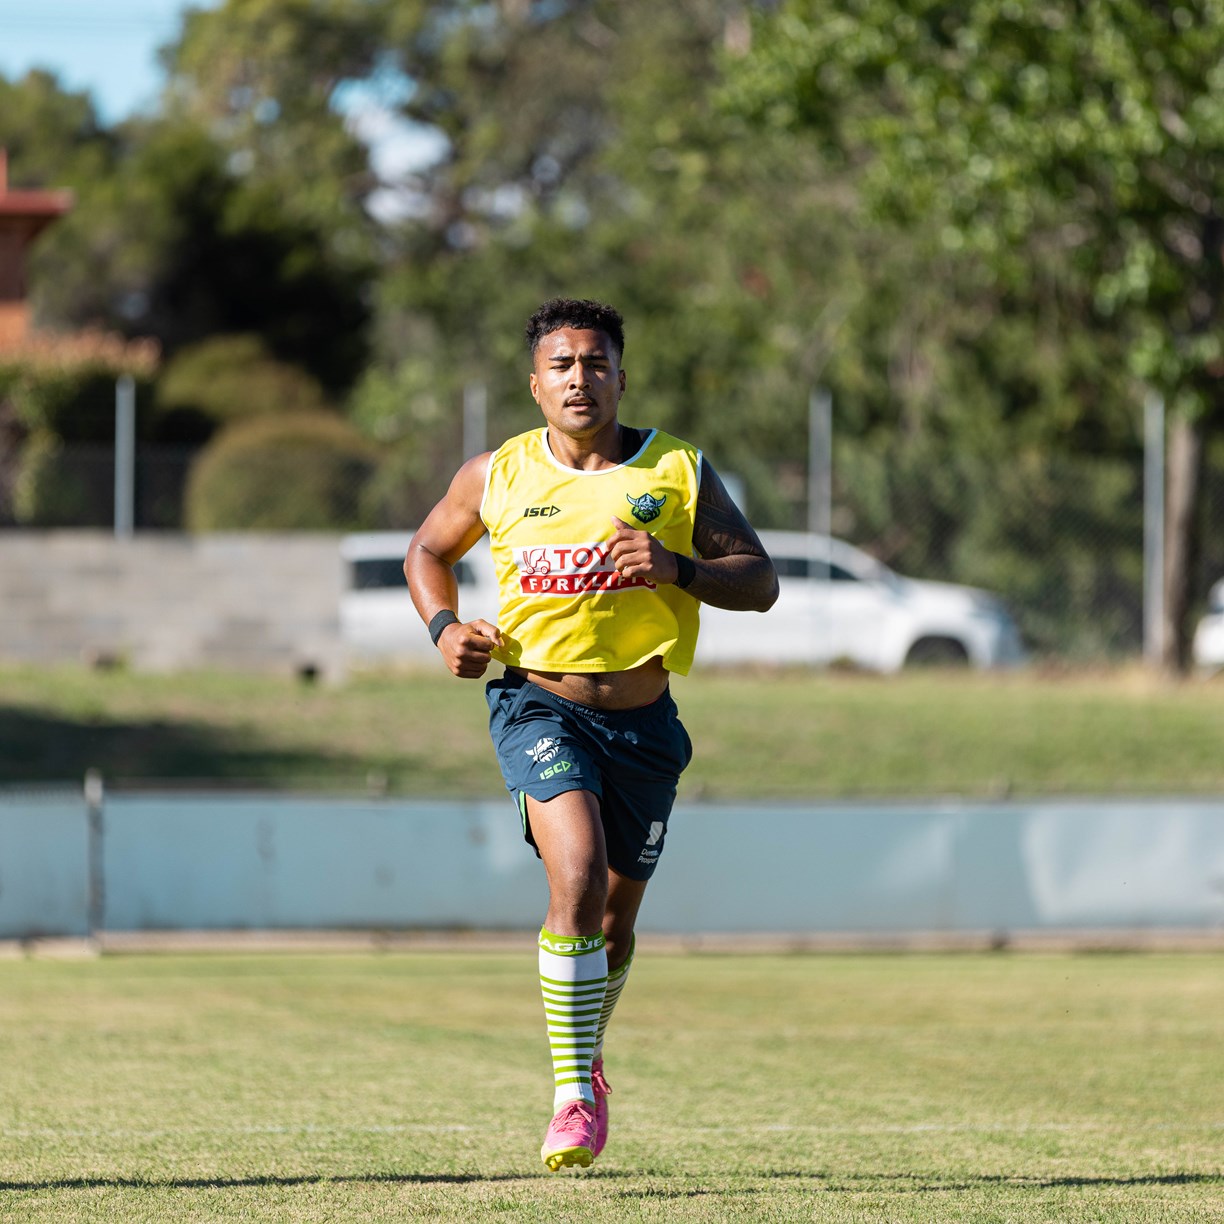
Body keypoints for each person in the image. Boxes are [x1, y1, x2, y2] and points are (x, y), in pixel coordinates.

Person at [404, 297, 778, 1171]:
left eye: (597, 363)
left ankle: (587, 1058)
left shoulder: (676, 468)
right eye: (563, 366)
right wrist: (445, 629)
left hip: (645, 726)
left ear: (621, 376)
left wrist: (678, 567)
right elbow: (426, 552)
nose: (581, 379)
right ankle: (573, 1098)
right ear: (535, 385)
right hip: (538, 705)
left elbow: (759, 581)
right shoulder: (496, 474)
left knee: (611, 927)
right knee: (573, 871)